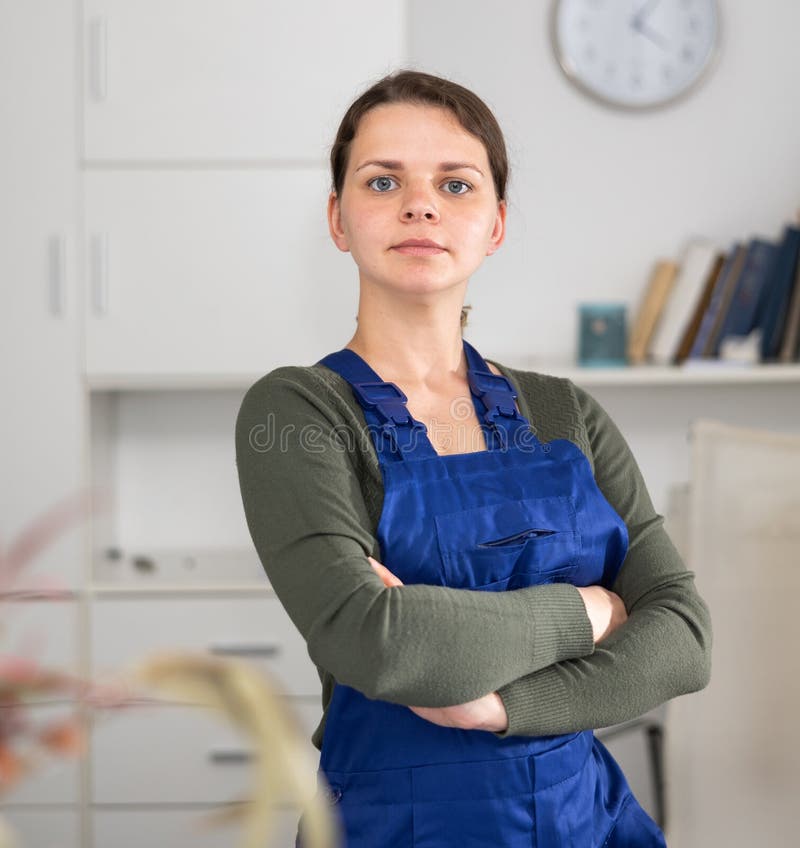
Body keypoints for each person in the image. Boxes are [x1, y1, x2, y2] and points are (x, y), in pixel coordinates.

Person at [235, 69, 712, 847]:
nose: (420, 204)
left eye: (456, 184)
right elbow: (382, 642)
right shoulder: (298, 412)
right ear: (337, 218)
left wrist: (500, 707)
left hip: (584, 821)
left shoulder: (564, 412)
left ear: (495, 224)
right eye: (383, 180)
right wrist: (594, 610)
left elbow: (685, 640)